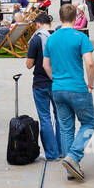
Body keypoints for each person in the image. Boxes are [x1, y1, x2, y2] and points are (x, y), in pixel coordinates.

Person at [42, 3, 94, 181]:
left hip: (58, 88)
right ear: (75, 18)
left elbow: (45, 65)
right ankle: (73, 156)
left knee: (65, 128)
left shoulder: (51, 38)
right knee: (88, 123)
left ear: (60, 17)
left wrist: (54, 79)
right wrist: (91, 84)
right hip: (77, 88)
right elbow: (89, 63)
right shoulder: (80, 37)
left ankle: (69, 169)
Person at [24, 12, 59, 163]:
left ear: (38, 24)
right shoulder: (56, 37)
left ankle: (52, 153)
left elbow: (29, 64)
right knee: (60, 117)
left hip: (40, 83)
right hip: (56, 81)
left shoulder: (36, 39)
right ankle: (63, 149)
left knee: (45, 118)